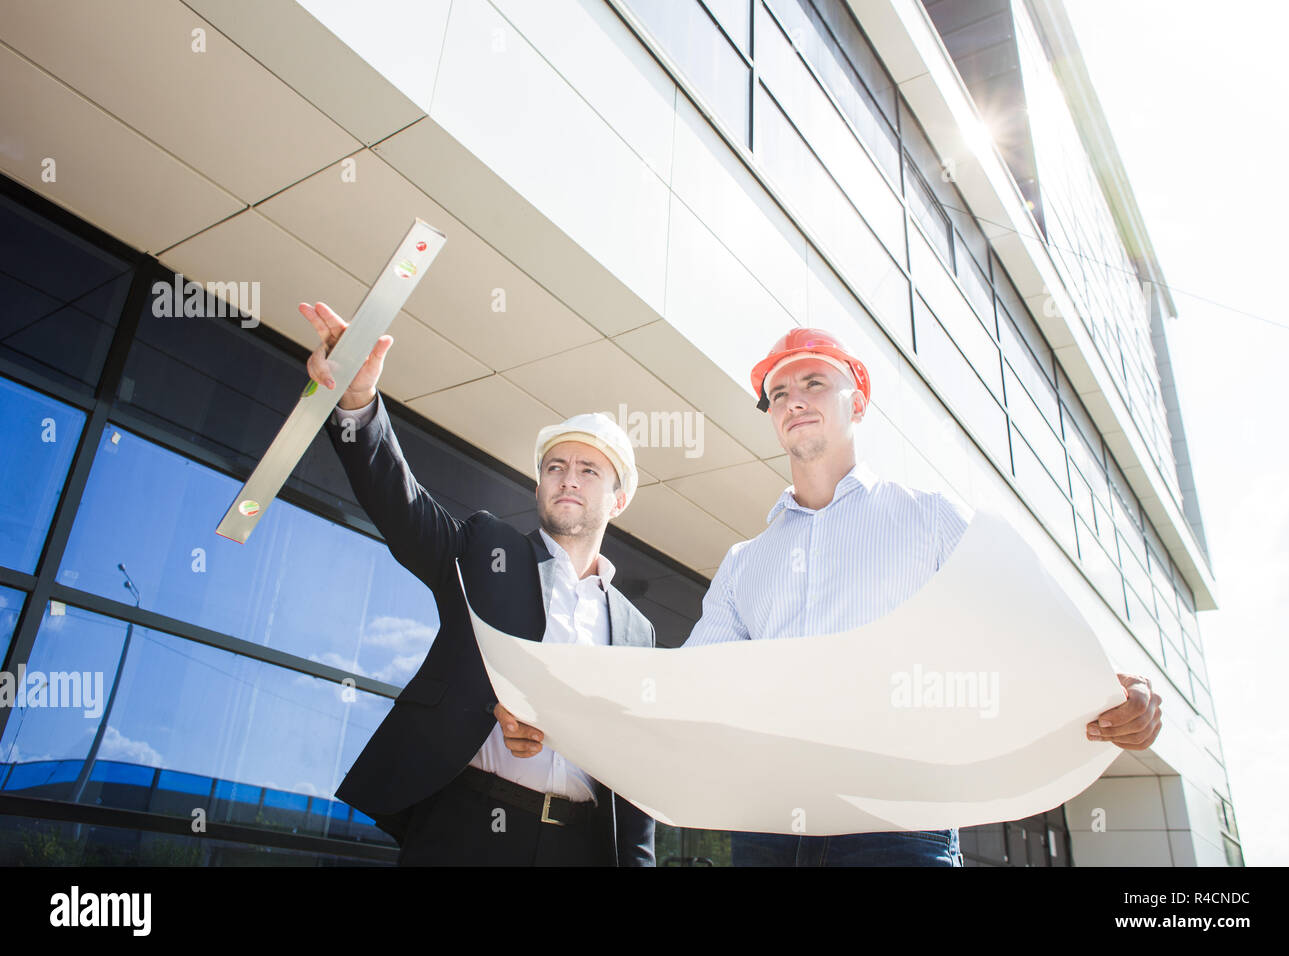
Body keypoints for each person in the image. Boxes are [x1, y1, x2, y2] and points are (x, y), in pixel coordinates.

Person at [678, 328, 1164, 867]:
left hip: (898, 823)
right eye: (778, 393)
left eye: (814, 382)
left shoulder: (929, 519)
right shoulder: (744, 563)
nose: (792, 400)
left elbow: (1021, 623)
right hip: (768, 829)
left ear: (857, 403)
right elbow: (696, 685)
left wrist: (1114, 684)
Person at [299, 300, 655, 866]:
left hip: (580, 847)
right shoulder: (490, 551)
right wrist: (358, 401)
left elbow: (638, 766)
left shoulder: (637, 631)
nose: (568, 479)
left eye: (589, 471)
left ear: (620, 498)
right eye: (555, 467)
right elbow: (404, 508)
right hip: (467, 831)